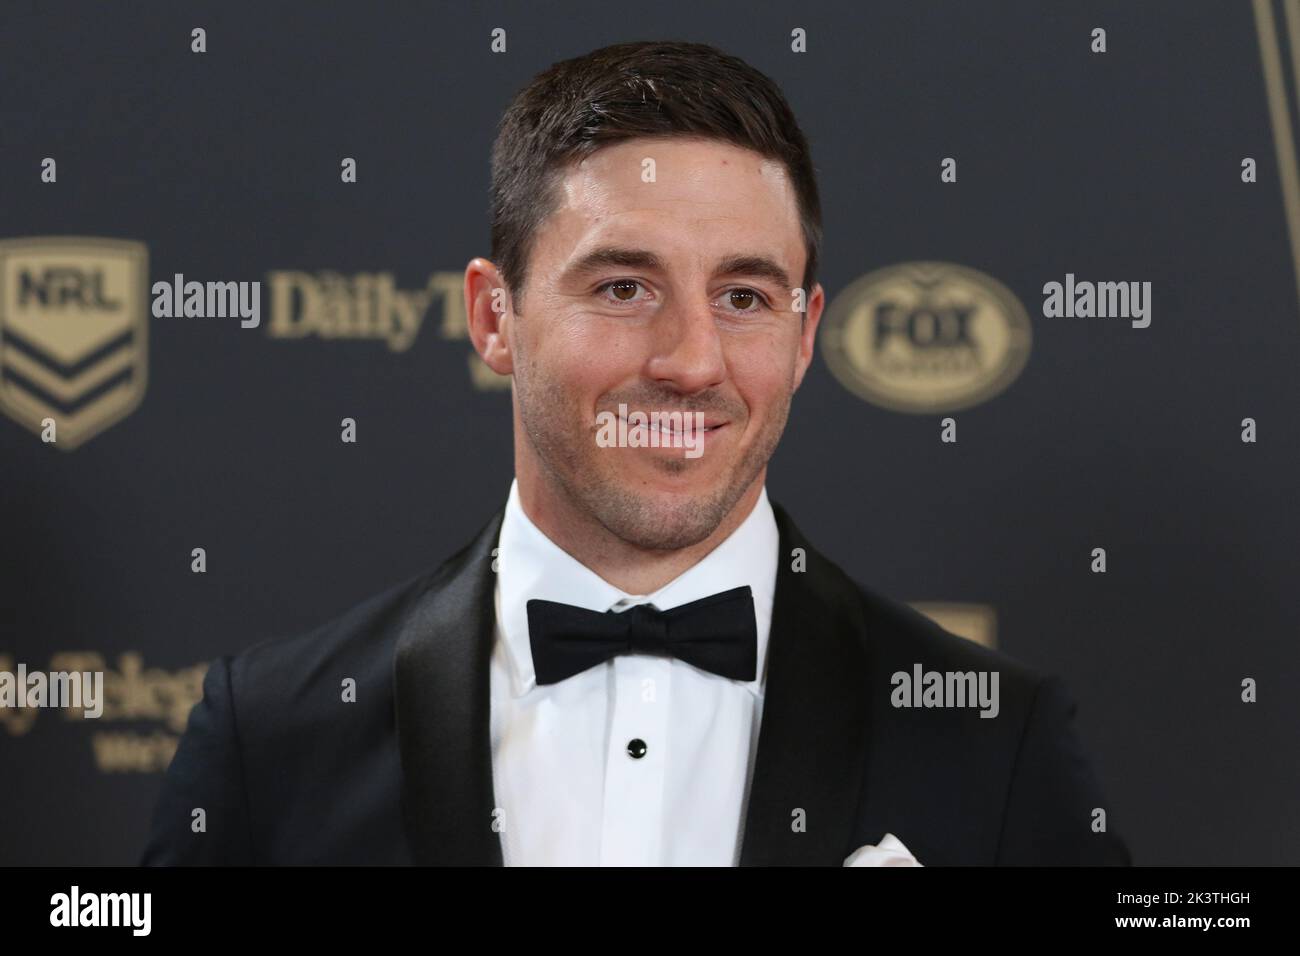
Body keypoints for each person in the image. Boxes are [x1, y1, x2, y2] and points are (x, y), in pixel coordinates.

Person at [141, 39, 1131, 866]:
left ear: (802, 336)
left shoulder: (996, 741)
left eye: (743, 296)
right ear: (494, 316)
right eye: (623, 287)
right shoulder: (269, 739)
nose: (691, 360)